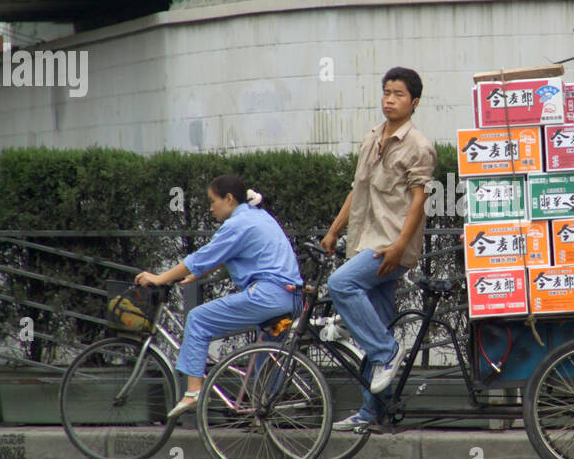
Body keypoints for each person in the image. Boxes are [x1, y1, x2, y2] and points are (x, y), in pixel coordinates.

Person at [321, 67, 436, 432]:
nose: (389, 99)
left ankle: (387, 353)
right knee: (380, 322)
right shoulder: (372, 137)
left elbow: (420, 201)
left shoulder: (419, 145)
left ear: (414, 102)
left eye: (398, 94)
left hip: (389, 246)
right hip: (365, 243)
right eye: (386, 92)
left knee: (340, 285)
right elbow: (360, 190)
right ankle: (371, 413)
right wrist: (334, 230)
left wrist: (400, 247)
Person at [135, 175, 302, 420]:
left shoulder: (237, 224)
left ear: (229, 199)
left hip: (268, 295)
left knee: (198, 319)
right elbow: (226, 253)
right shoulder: (258, 215)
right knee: (268, 358)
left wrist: (160, 278)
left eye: (213, 201)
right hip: (291, 296)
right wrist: (196, 274)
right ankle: (266, 411)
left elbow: (204, 256)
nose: (210, 208)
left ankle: (193, 392)